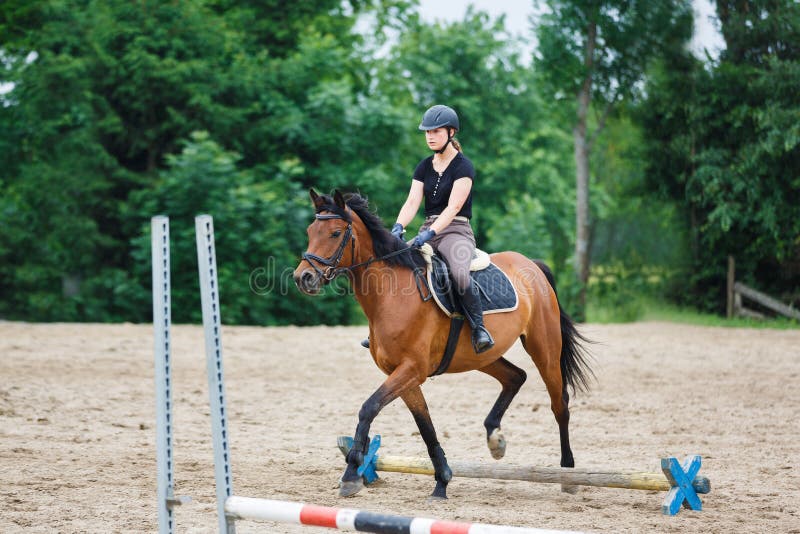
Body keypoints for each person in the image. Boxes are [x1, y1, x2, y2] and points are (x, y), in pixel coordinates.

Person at [362, 104, 494, 354]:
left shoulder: (464, 166)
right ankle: (380, 329)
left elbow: (454, 207)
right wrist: (399, 227)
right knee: (393, 266)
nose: (430, 136)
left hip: (455, 231)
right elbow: (412, 201)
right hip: (427, 229)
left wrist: (430, 233)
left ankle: (479, 328)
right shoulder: (424, 166)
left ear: (451, 133)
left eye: (436, 131)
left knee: (459, 275)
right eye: (427, 132)